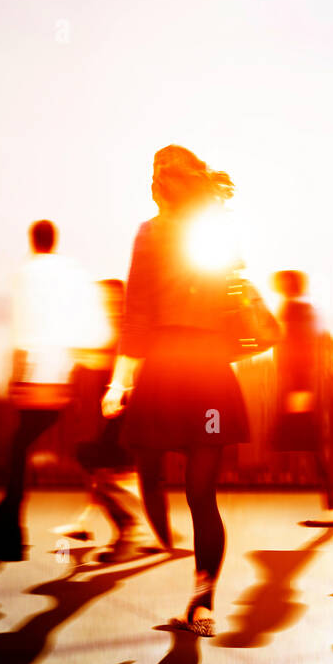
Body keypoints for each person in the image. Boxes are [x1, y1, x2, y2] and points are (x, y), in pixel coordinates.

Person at [103, 145, 252, 635]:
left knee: (147, 459)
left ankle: (160, 533)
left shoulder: (151, 232)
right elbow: (234, 301)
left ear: (159, 185)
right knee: (203, 495)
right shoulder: (218, 231)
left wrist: (119, 381)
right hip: (209, 370)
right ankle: (203, 600)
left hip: (165, 369)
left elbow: (137, 314)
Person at [0, 220, 106, 561]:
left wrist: (16, 375)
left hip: (34, 377)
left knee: (18, 448)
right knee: (23, 446)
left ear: (33, 241)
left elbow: (23, 329)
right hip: (62, 377)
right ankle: (3, 525)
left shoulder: (28, 274)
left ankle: (9, 530)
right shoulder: (71, 273)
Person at [52, 279, 151, 560]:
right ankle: (98, 522)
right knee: (101, 468)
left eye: (110, 299)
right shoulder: (119, 329)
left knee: (95, 462)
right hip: (117, 418)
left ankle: (129, 530)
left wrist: (82, 357)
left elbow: (115, 359)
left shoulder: (128, 330)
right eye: (104, 299)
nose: (107, 304)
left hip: (127, 418)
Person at [270, 270, 333, 513]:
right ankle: (331, 497)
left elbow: (296, 347)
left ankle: (332, 496)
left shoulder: (295, 309)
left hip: (297, 382)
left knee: (310, 441)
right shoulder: (301, 308)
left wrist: (297, 389)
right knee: (310, 441)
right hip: (298, 382)